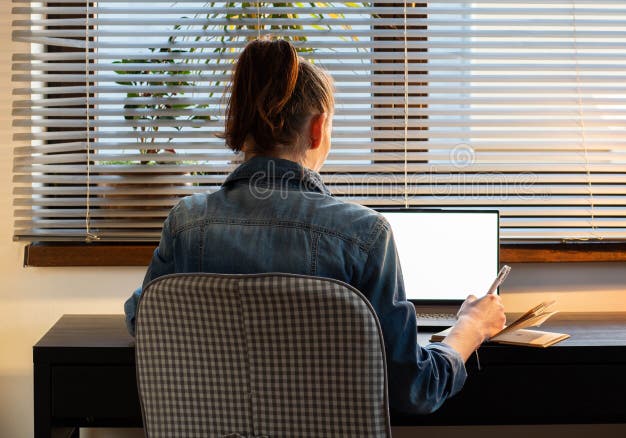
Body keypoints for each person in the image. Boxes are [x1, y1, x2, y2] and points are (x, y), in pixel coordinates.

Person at [124, 38, 506, 415]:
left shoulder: (186, 224)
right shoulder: (365, 234)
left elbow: (145, 317)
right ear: (318, 129)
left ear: (244, 126)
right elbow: (411, 390)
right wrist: (470, 327)